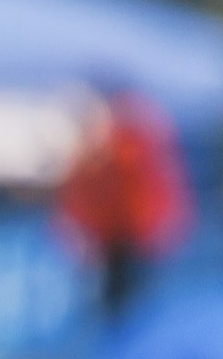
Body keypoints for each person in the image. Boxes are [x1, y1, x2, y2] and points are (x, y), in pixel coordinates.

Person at [55, 89, 192, 322]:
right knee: (131, 302)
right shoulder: (133, 148)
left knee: (128, 301)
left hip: (125, 239)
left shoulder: (122, 151)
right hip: (126, 239)